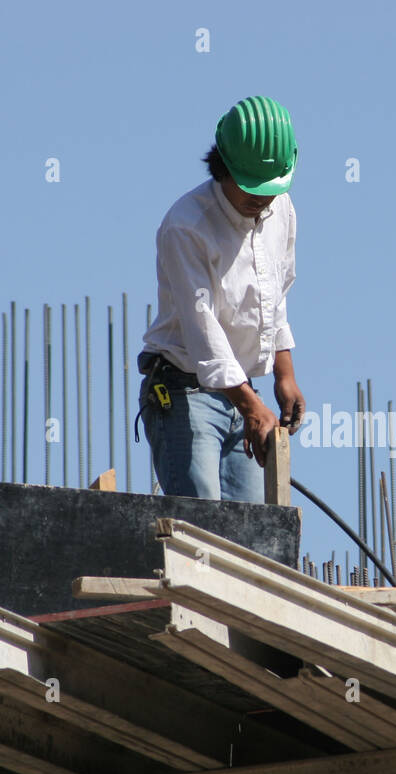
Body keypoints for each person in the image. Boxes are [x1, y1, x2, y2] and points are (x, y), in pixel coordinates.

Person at [138, 95, 305, 502]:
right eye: (252, 192)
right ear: (223, 169)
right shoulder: (186, 226)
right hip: (183, 394)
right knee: (202, 527)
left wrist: (284, 375)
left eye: (270, 192)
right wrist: (251, 407)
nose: (262, 203)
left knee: (249, 539)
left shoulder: (279, 209)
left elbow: (274, 296)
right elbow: (203, 332)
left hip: (242, 396)